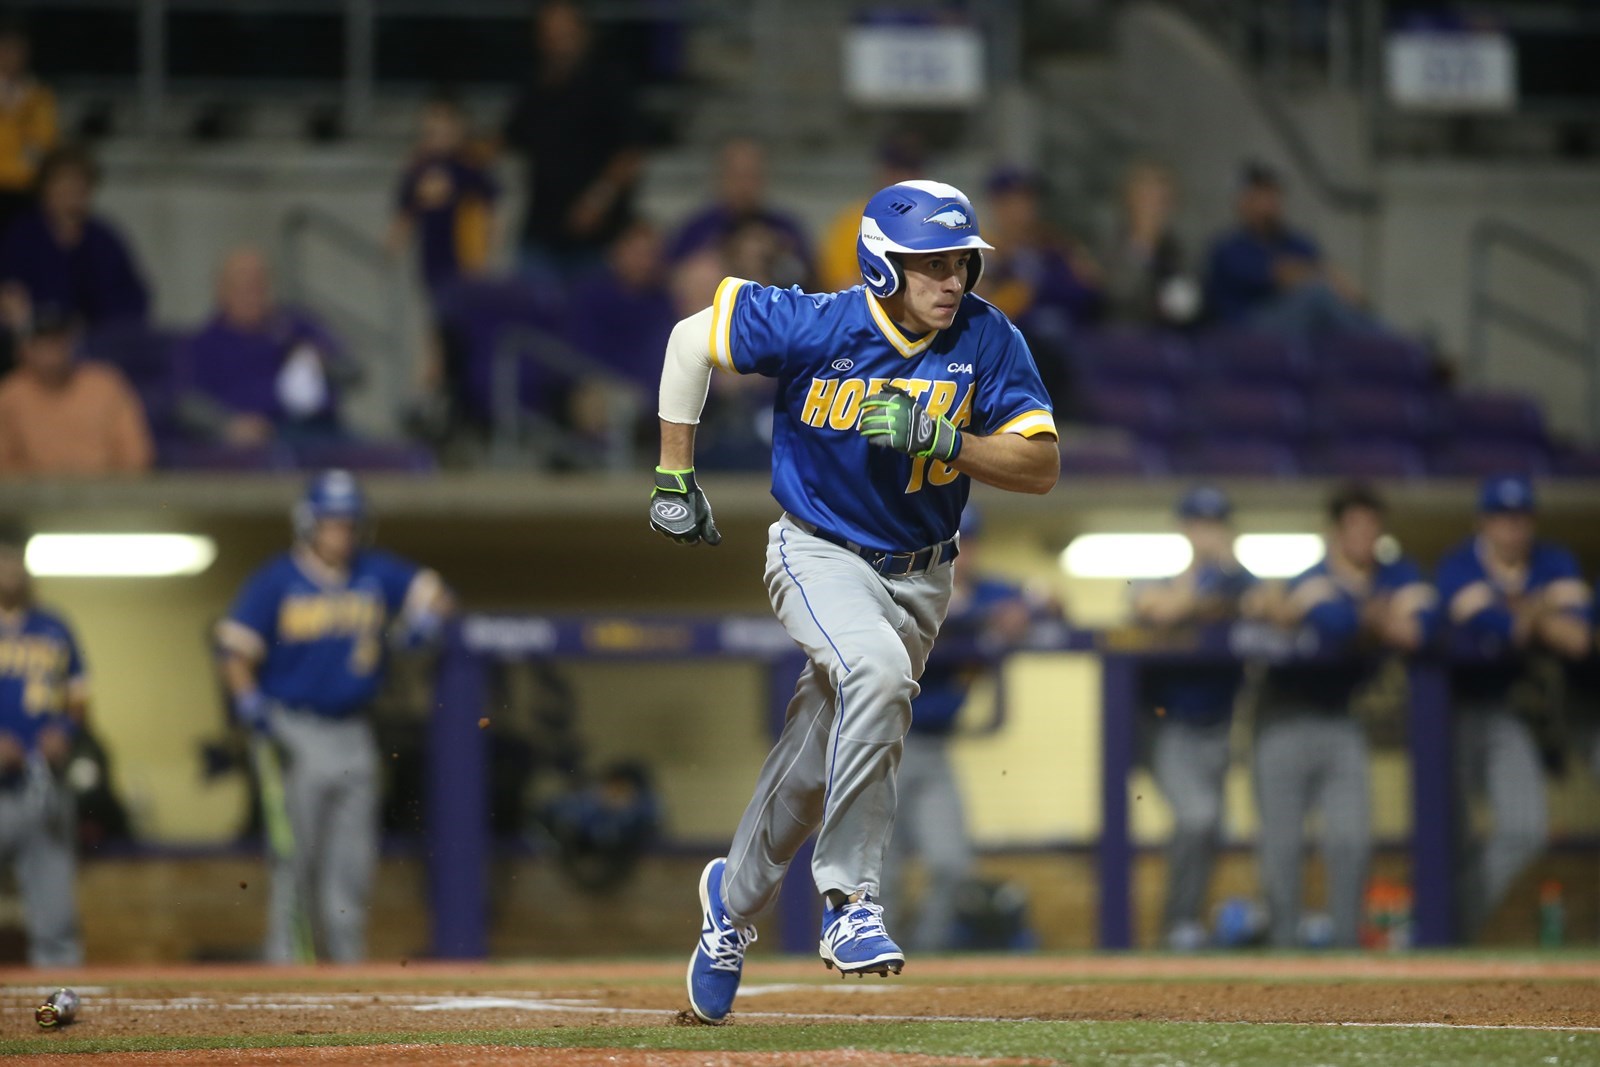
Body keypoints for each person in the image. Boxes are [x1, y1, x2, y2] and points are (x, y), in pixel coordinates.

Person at [652, 179, 1058, 1023]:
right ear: (881, 265)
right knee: (875, 674)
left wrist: (948, 438)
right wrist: (674, 473)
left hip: (922, 575)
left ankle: (730, 902)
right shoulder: (818, 321)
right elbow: (692, 341)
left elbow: (1040, 466)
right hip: (817, 549)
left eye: (961, 263)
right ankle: (851, 903)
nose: (951, 280)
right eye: (930, 264)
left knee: (810, 764)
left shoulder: (988, 337)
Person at [216, 471, 452, 963]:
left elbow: (435, 591)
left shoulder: (373, 572)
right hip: (294, 728)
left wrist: (424, 621)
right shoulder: (277, 578)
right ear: (309, 525)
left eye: (349, 524)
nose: (341, 534)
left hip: (354, 729)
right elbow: (234, 651)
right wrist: (249, 704)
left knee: (352, 862)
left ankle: (346, 968)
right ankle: (287, 963)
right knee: (295, 855)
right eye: (331, 524)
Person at [1245, 483, 1433, 948]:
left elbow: (1427, 623)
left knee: (1351, 840)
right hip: (1281, 718)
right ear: (1335, 532)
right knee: (1282, 848)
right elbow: (1339, 625)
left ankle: (1348, 953)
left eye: (1372, 526)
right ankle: (1282, 953)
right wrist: (1379, 617)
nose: (1364, 535)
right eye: (1354, 526)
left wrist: (1381, 615)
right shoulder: (1309, 578)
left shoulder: (1395, 573)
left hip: (1342, 719)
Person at [880, 506, 1052, 952]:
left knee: (951, 863)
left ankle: (926, 958)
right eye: (953, 544)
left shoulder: (988, 591)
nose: (961, 553)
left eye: (968, 543)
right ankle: (876, 963)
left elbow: (1048, 597)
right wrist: (977, 617)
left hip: (935, 748)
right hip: (881, 745)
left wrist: (1026, 605)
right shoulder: (907, 584)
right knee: (884, 872)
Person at [1434, 474, 1591, 939]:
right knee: (1453, 836)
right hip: (1447, 713)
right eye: (1502, 519)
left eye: (1521, 519)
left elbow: (1578, 639)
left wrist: (1519, 611)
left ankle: (1454, 925)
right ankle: (1442, 928)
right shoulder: (1459, 562)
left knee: (1526, 828)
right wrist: (1540, 610)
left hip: (1510, 711)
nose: (1513, 530)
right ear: (1484, 522)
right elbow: (1504, 628)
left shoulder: (1554, 558)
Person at [1131, 486, 1257, 950]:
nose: (1208, 533)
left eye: (1216, 523)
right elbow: (1158, 611)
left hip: (1220, 724)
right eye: (1199, 524)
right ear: (1185, 529)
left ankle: (1189, 924)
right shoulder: (1164, 580)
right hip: (1167, 726)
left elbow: (1268, 602)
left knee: (1213, 829)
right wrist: (1203, 577)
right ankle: (1176, 924)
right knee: (1198, 818)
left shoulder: (1237, 580)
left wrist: (1225, 572)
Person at [502, 0, 644, 284]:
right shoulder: (535, 85)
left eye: (565, 32)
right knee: (529, 320)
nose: (558, 41)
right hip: (541, 235)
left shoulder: (608, 82)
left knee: (592, 321)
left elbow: (631, 152)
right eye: (550, 33)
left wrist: (598, 199)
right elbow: (508, 137)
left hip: (599, 240)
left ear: (583, 32)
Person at [0, 528, 87, 965]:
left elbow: (79, 698)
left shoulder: (54, 626)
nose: (11, 570)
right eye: (3, 560)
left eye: (17, 560)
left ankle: (58, 1004)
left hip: (43, 783)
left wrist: (64, 733)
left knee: (56, 914)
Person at [177, 247, 354, 447]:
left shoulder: (296, 325)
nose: (253, 294)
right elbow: (185, 404)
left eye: (259, 284)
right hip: (256, 446)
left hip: (322, 431)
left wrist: (323, 362)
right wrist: (226, 425)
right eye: (242, 286)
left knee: (382, 455)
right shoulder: (201, 344)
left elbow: (352, 371)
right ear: (222, 290)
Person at [976, 167, 1102, 417]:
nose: (1021, 210)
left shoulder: (1054, 248)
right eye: (1012, 201)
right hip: (1011, 355)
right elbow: (985, 308)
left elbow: (1090, 292)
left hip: (1065, 353)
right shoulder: (982, 253)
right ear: (996, 204)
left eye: (1027, 201)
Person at [1203, 162, 1376, 343]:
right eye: (1261, 195)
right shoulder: (1228, 248)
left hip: (1296, 327)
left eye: (1273, 194)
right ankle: (1377, 345)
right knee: (1317, 296)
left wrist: (1340, 285)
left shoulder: (1297, 242)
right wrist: (1326, 278)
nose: (1270, 202)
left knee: (1331, 305)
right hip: (1245, 330)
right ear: (1242, 201)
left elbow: (1349, 290)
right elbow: (1284, 275)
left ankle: (1391, 344)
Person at [0, 144, 149, 336]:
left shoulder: (103, 239)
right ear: (45, 189)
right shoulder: (22, 237)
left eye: (79, 187)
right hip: (34, 339)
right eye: (63, 185)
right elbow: (10, 290)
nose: (71, 195)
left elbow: (132, 300)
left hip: (93, 343)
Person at [0, 308, 153, 475]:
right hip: (34, 494)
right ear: (23, 349)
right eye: (42, 340)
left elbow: (137, 456)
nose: (52, 349)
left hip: (105, 491)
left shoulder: (106, 384)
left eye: (58, 339)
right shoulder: (9, 394)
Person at [389, 94, 500, 299]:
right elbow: (407, 207)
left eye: (446, 131)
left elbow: (488, 205)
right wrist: (397, 237)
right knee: (436, 305)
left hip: (462, 253)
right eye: (433, 132)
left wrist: (487, 249)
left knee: (460, 308)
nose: (439, 137)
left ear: (460, 131)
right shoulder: (418, 168)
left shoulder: (468, 166)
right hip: (431, 253)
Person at [667, 137, 812, 288]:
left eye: (752, 175)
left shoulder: (786, 228)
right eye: (736, 174)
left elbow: (807, 284)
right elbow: (672, 287)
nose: (744, 185)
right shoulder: (695, 231)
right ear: (719, 177)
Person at [816, 135, 925, 294]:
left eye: (911, 170)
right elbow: (841, 289)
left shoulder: (935, 220)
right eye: (896, 170)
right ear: (881, 172)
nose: (905, 178)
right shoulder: (851, 222)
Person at [1102, 162, 1200, 329]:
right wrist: (1143, 241)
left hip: (1170, 337)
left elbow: (1189, 301)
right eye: (1146, 196)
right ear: (1129, 199)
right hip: (1122, 336)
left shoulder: (1178, 248)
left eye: (1160, 199)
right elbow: (1119, 294)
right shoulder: (1111, 244)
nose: (1153, 205)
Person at [0, 17, 56, 236]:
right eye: (6, 49)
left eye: (18, 50)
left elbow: (43, 144)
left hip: (25, 190)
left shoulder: (39, 96)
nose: (12, 57)